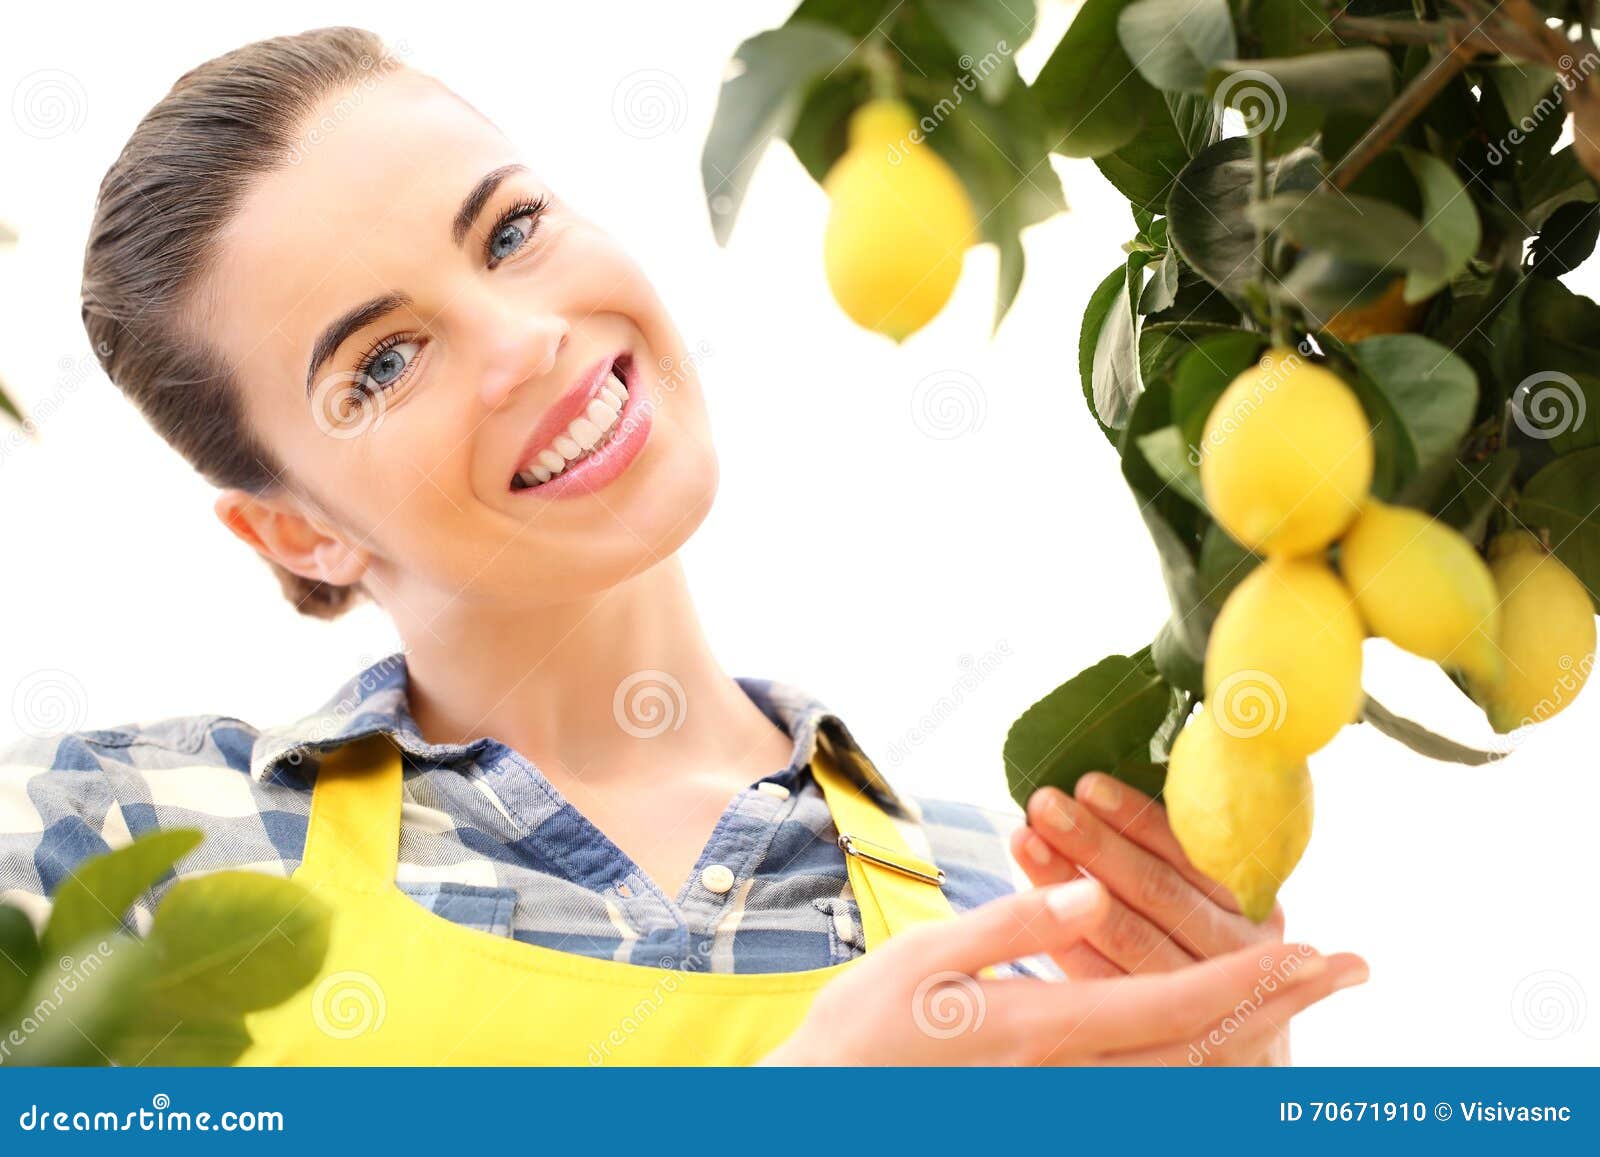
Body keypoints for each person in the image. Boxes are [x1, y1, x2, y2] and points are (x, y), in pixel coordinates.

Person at [0, 25, 1366, 1065]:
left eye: (510, 230)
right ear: (296, 528)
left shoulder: (1014, 905)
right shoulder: (108, 846)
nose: (525, 338)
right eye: (386, 360)